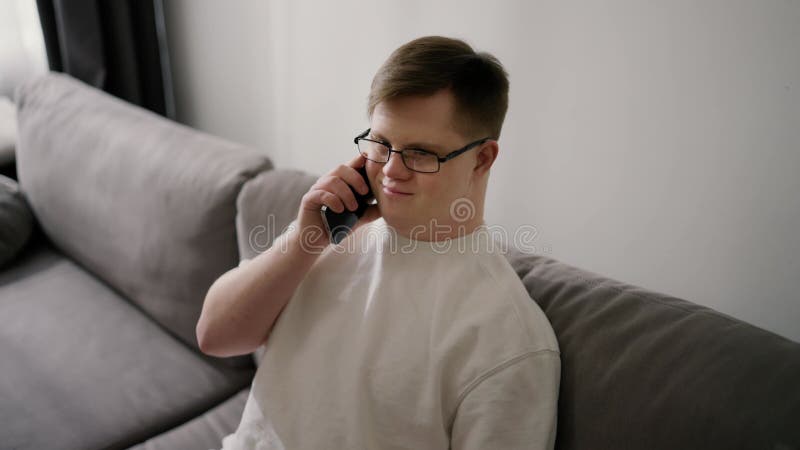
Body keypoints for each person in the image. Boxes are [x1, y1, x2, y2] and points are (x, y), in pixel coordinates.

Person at [197, 35, 560, 450]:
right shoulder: (328, 233)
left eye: (421, 153)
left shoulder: (506, 338)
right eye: (381, 144)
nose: (390, 171)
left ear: (482, 158)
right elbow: (215, 337)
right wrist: (304, 240)